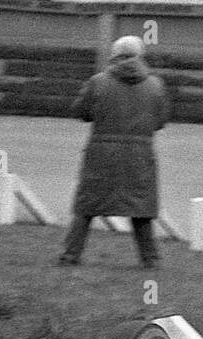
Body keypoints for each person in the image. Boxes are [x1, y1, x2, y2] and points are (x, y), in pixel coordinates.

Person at [59, 36, 170, 269]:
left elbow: (80, 112)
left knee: (87, 207)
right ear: (141, 56)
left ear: (114, 55)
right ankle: (150, 260)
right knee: (140, 209)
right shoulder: (156, 85)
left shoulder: (98, 82)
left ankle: (70, 256)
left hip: (102, 154)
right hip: (140, 154)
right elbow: (160, 121)